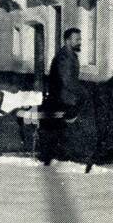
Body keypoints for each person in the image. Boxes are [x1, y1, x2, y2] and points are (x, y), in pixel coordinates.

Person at [40, 28, 84, 165]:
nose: (80, 42)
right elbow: (67, 81)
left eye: (80, 39)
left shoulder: (70, 55)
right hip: (61, 99)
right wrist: (83, 92)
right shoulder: (64, 57)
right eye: (77, 39)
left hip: (66, 97)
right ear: (67, 41)